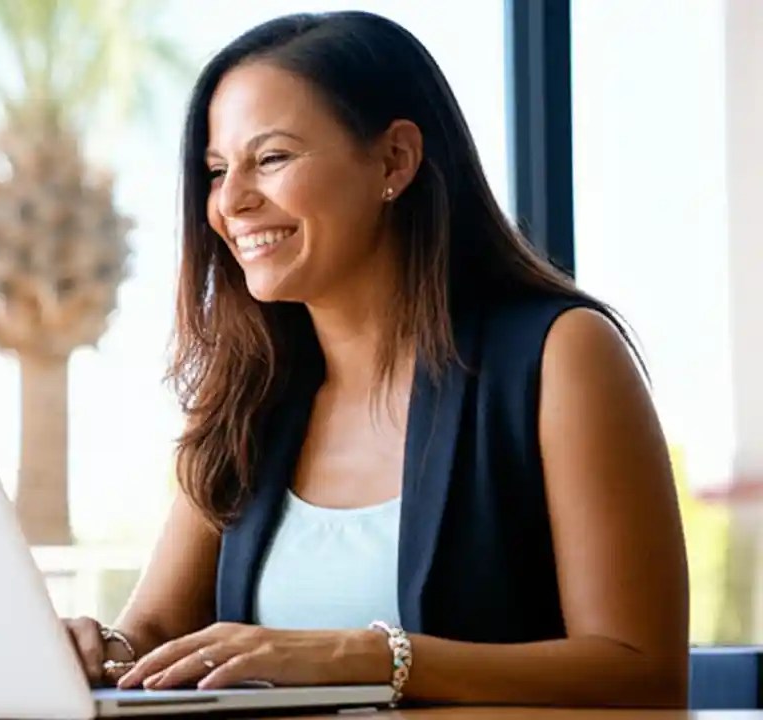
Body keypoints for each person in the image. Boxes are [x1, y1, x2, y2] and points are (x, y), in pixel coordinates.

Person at [63, 9, 689, 709]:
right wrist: (97, 649)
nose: (230, 201)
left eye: (270, 159)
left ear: (395, 160)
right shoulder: (248, 391)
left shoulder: (559, 355)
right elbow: (152, 631)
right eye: (215, 170)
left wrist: (364, 656)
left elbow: (642, 671)